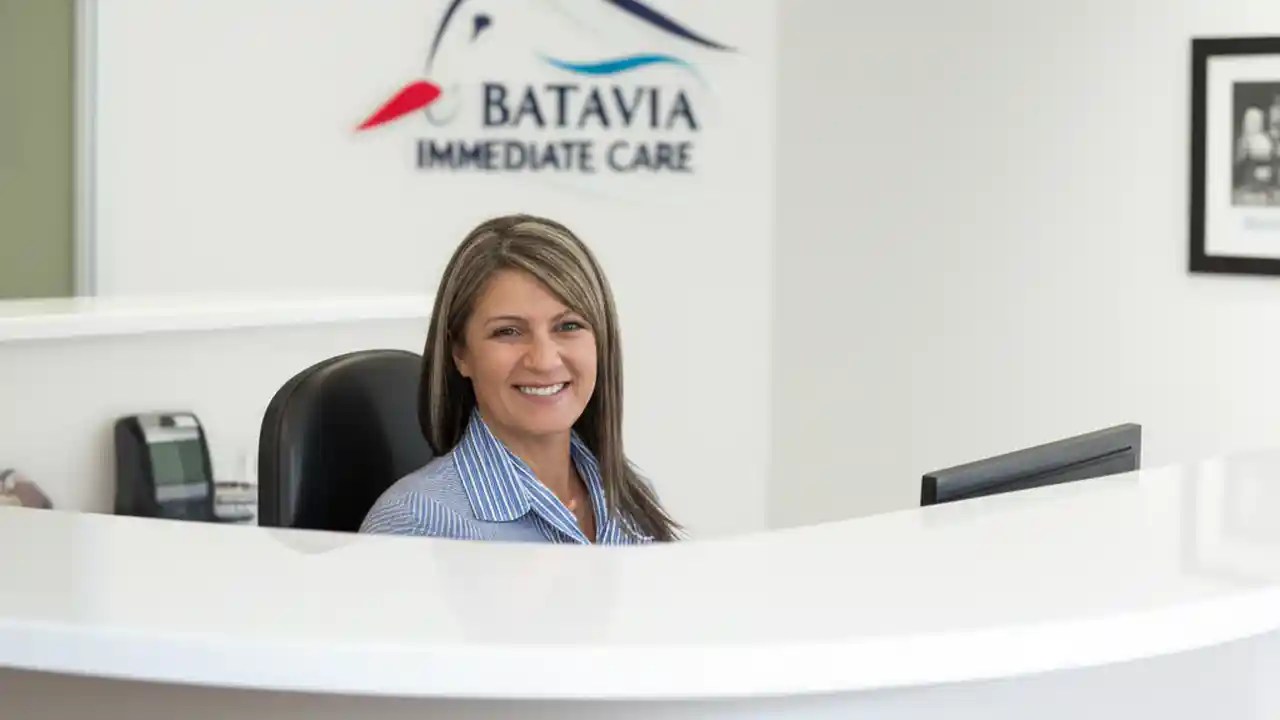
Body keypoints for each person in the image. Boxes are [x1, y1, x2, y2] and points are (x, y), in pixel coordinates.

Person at [359, 214, 680, 544]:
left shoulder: (630, 499)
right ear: (460, 353)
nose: (543, 360)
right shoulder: (414, 526)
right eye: (508, 332)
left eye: (568, 326)